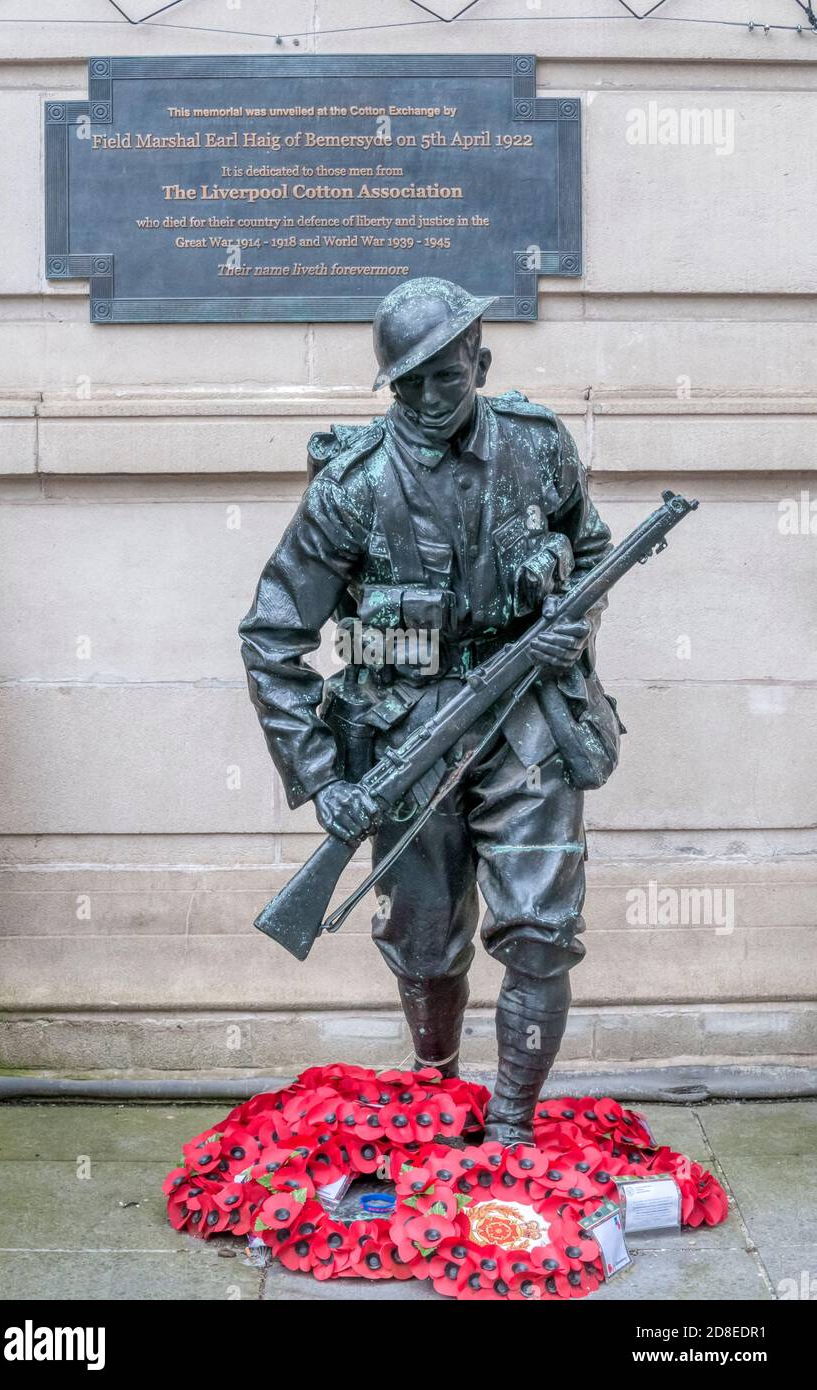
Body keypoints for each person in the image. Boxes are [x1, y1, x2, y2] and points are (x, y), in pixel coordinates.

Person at [239, 277, 617, 1144]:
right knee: (422, 941)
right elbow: (271, 635)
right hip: (404, 732)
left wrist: (571, 627)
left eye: (443, 376)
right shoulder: (351, 485)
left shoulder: (537, 445)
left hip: (531, 719)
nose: (424, 398)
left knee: (540, 933)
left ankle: (515, 1127)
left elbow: (591, 551)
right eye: (404, 382)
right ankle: (438, 1096)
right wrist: (322, 778)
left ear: (478, 364)